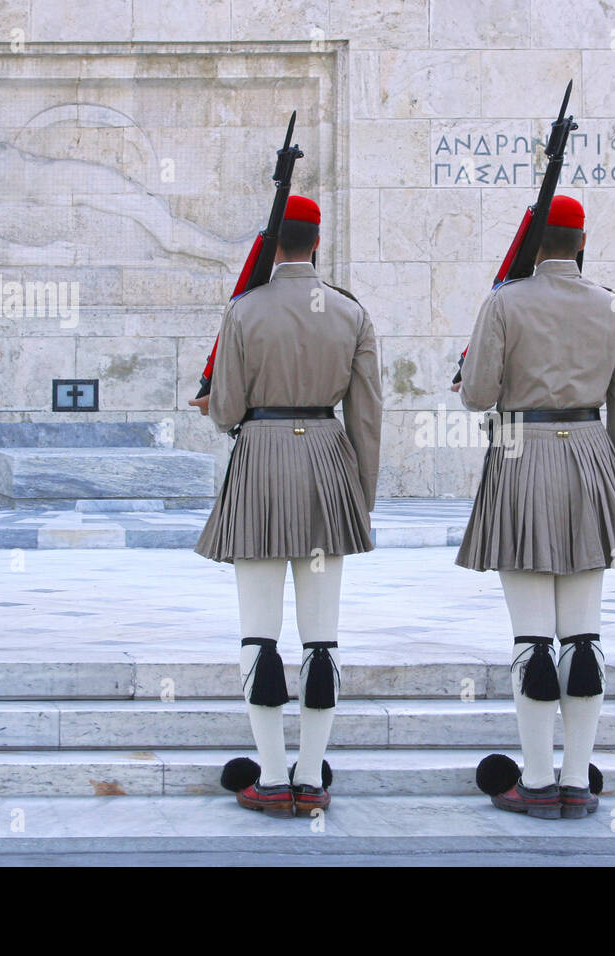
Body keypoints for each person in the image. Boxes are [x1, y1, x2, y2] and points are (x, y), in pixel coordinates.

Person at [457, 195, 615, 820]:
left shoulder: (505, 301)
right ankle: (576, 779)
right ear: (582, 240)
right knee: (585, 636)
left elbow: (479, 396)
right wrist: (610, 483)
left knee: (532, 638)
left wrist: (469, 377)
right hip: (592, 455)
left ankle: (537, 782)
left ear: (533, 245)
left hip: (521, 454)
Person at [193, 195, 382, 818]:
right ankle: (311, 774)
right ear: (317, 244)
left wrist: (217, 405)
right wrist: (362, 497)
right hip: (328, 464)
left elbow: (225, 413)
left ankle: (272, 776)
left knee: (259, 632)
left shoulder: (245, 310)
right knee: (321, 637)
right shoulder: (352, 312)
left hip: (263, 463)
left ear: (274, 246)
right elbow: (368, 416)